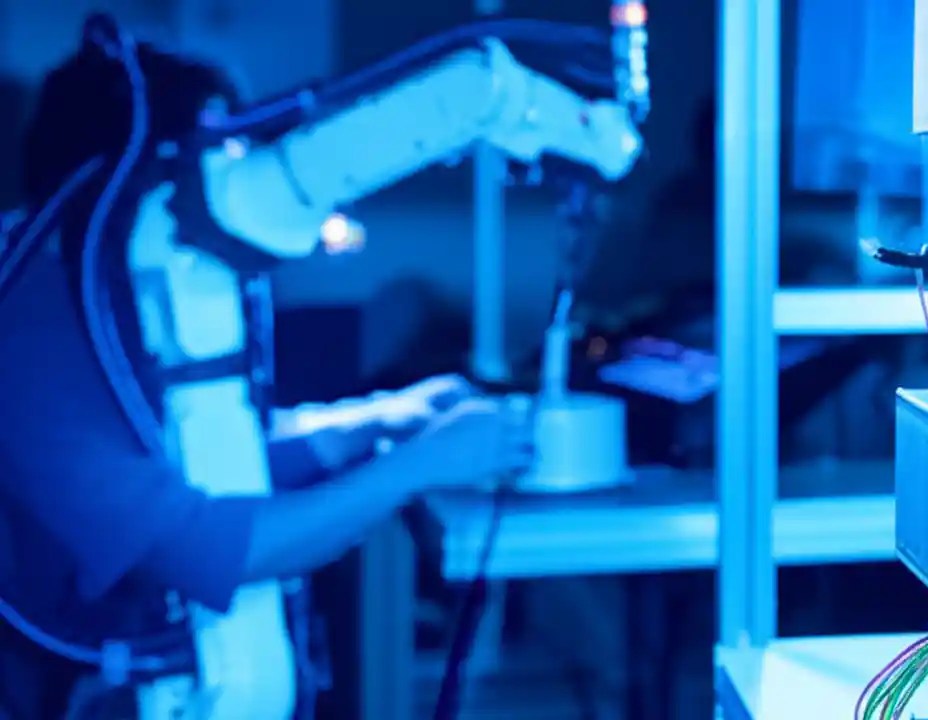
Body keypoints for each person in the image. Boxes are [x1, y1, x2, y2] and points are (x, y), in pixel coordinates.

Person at [0, 27, 533, 719]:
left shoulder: (106, 292)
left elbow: (192, 455)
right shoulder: (31, 334)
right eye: (218, 162)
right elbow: (206, 549)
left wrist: (379, 419)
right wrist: (419, 465)